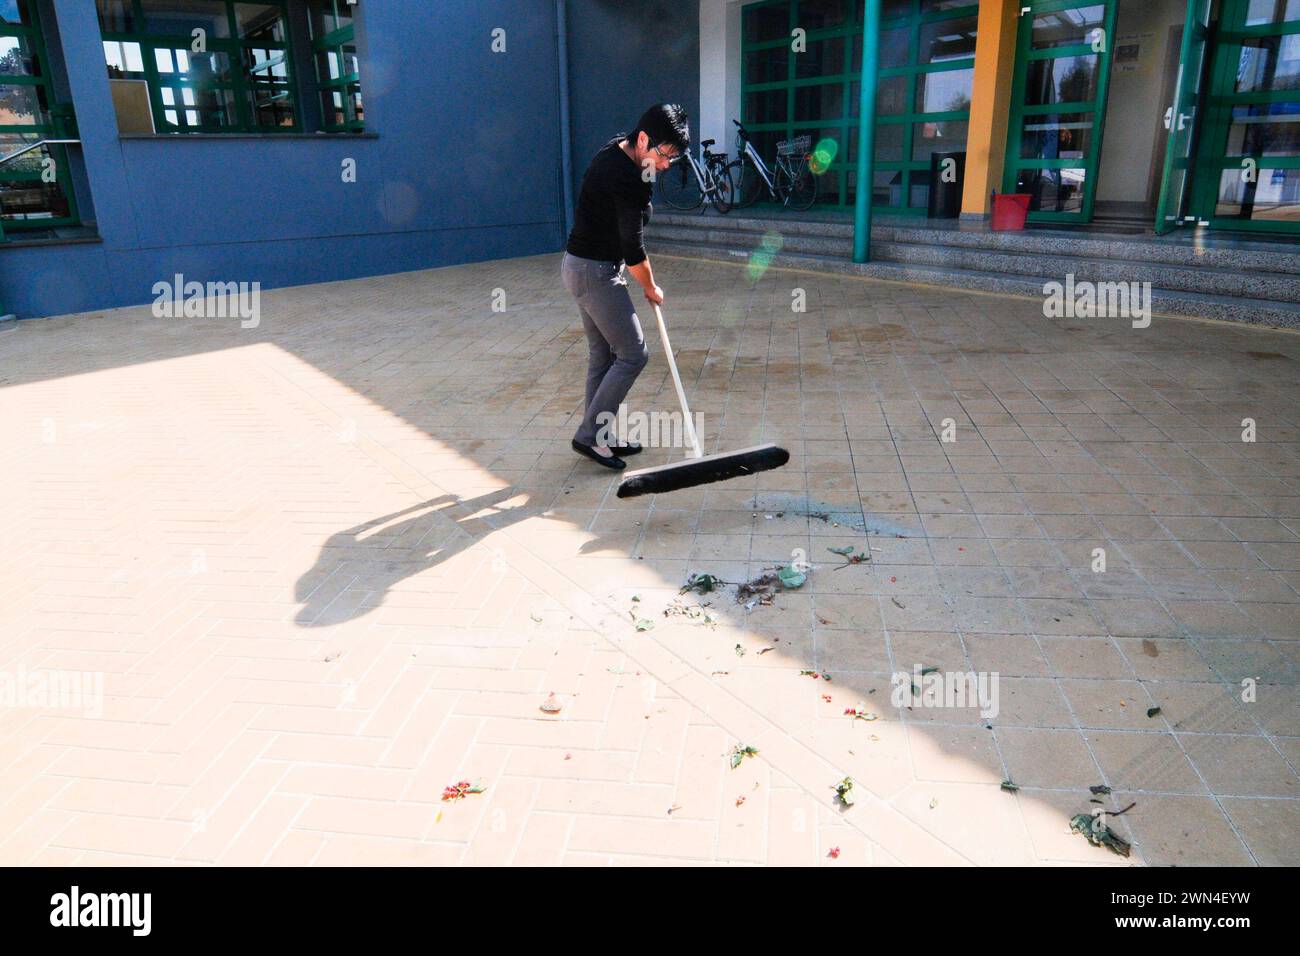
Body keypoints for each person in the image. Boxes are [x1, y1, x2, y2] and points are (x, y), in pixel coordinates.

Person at [562, 103, 690, 470]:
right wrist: (651, 286)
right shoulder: (625, 177)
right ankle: (589, 437)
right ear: (645, 138)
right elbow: (634, 249)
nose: (666, 164)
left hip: (582, 266)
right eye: (665, 155)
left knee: (602, 356)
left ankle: (596, 434)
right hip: (594, 272)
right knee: (634, 353)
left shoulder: (622, 150)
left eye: (674, 159)